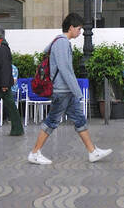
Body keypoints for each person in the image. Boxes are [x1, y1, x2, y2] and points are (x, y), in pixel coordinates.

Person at [27, 14, 111, 165]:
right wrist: (77, 91)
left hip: (66, 91)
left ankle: (92, 151)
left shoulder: (61, 42)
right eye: (79, 29)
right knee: (52, 121)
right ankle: (34, 153)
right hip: (61, 90)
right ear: (71, 27)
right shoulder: (62, 43)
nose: (80, 32)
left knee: (79, 119)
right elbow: (65, 70)